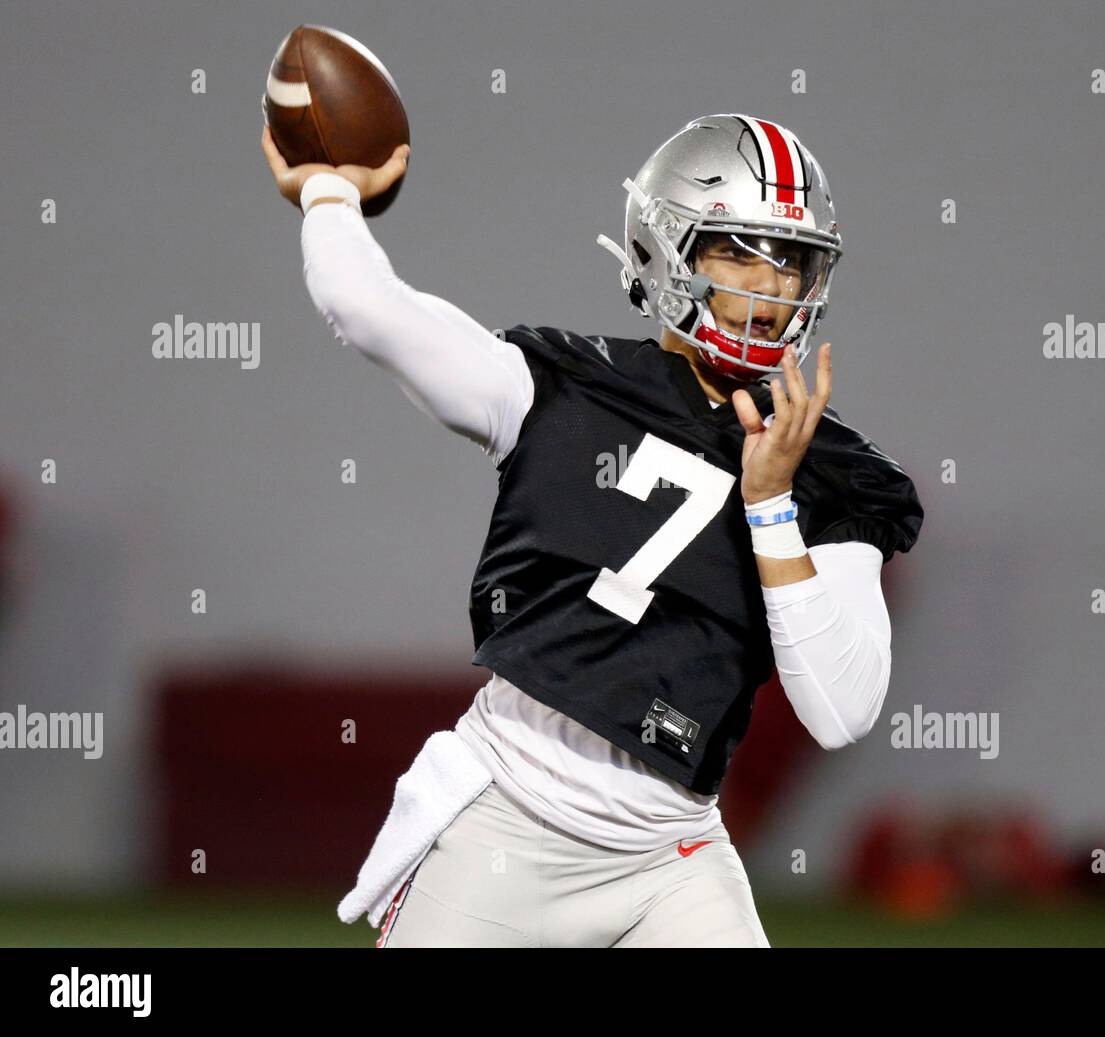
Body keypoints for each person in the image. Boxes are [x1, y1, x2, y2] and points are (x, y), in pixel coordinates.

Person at [261, 113, 923, 947]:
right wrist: (327, 187)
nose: (775, 284)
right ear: (669, 248)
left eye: (793, 259)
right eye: (741, 250)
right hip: (507, 813)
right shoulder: (561, 386)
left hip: (668, 853)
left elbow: (842, 708)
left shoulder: (833, 470)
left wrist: (771, 504)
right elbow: (366, 308)